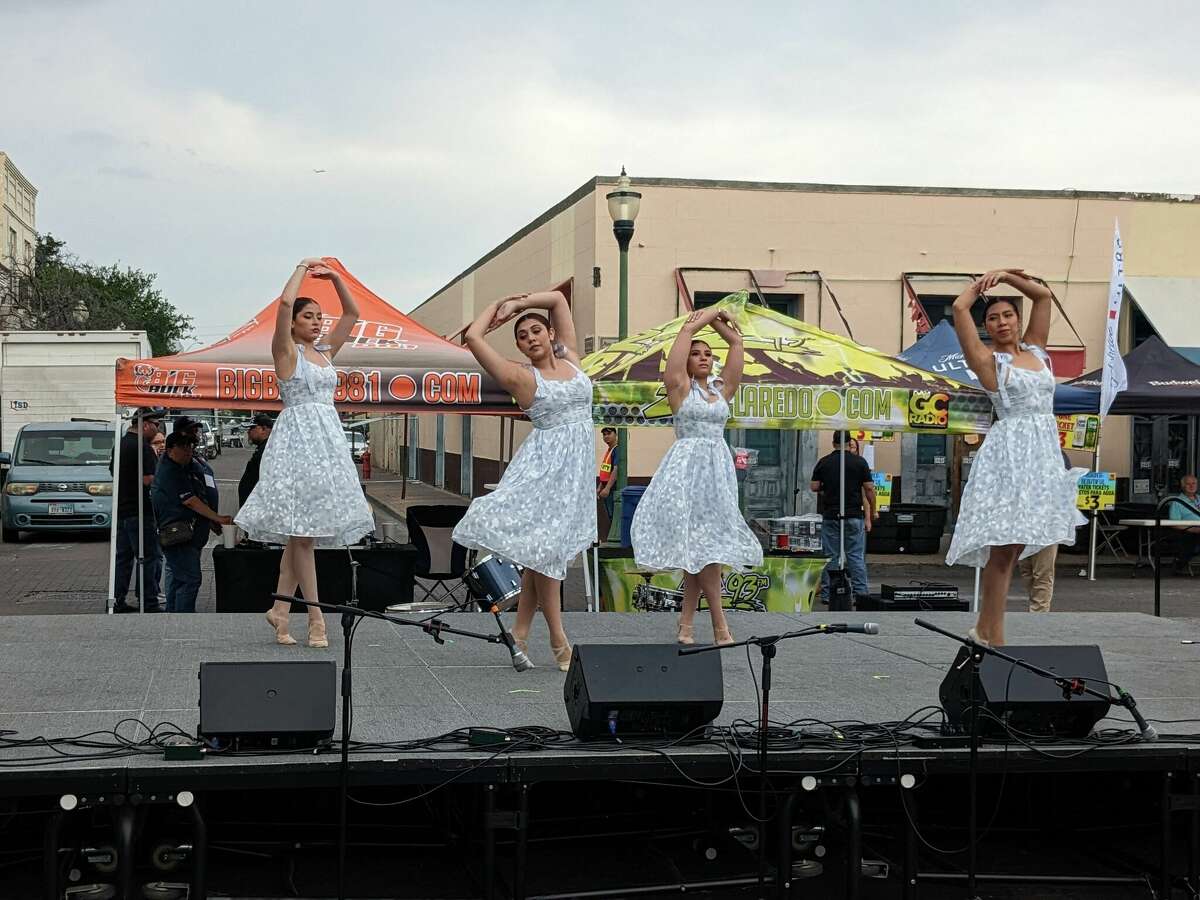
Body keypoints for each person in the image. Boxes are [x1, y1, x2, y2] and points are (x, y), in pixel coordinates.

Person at [452, 289, 594, 671]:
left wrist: (519, 304)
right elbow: (474, 338)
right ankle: (558, 638)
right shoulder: (520, 377)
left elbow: (559, 302)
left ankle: (519, 633)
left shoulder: (573, 360)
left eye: (536, 331)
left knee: (543, 555)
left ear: (550, 334)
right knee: (546, 556)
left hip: (575, 473)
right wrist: (494, 309)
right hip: (543, 471)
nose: (531, 338)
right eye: (522, 335)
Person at [236, 259, 375, 647]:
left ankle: (280, 612)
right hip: (297, 443)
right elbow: (283, 304)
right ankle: (316, 618)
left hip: (326, 443)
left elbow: (353, 313)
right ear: (295, 323)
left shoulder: (326, 352)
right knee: (304, 536)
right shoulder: (286, 352)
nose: (317, 322)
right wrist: (300, 268)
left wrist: (336, 278)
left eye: (319, 317)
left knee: (302, 537)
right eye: (309, 316)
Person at [946, 269, 1085, 646]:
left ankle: (986, 629)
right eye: (993, 318)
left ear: (1018, 321)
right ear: (986, 326)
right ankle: (992, 633)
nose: (1001, 322)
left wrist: (1007, 276)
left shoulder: (1038, 351)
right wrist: (981, 287)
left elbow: (1043, 297)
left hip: (1042, 453)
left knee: (1015, 546)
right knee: (1003, 546)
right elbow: (960, 307)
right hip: (1010, 452)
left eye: (1007, 315)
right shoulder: (988, 360)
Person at [630, 306, 762, 645]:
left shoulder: (720, 391)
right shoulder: (679, 388)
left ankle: (686, 624)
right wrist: (711, 312)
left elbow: (735, 346)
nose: (703, 358)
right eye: (696, 354)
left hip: (717, 469)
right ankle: (720, 625)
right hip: (687, 468)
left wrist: (724, 324)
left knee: (701, 549)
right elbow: (684, 335)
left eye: (707, 354)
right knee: (706, 548)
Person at [151, 433, 232, 612]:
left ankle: (174, 615)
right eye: (184, 448)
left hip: (186, 533)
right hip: (177, 534)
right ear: (171, 449)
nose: (188, 452)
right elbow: (190, 500)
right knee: (190, 579)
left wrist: (211, 520)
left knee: (181, 578)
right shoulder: (171, 471)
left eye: (190, 447)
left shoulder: (182, 467)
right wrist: (216, 517)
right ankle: (183, 618)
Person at [811, 431, 876, 604]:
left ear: (833, 443)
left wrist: (827, 487)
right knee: (855, 556)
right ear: (849, 443)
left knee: (830, 556)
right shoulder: (860, 462)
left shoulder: (824, 462)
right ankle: (861, 593)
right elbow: (869, 489)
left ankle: (828, 594)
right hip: (854, 515)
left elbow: (814, 486)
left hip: (831, 515)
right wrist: (873, 510)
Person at [111, 408, 165, 613]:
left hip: (122, 510)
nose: (158, 429)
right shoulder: (142, 447)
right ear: (145, 424)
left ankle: (117, 599)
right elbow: (148, 480)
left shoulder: (121, 444)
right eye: (156, 425)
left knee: (123, 558)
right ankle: (148, 601)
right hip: (140, 511)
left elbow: (112, 472)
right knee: (148, 557)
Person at [1018, 449, 1074, 612]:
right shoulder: (1023, 453)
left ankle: (1039, 612)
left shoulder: (1058, 455)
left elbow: (1065, 485)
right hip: (1024, 520)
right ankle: (1037, 606)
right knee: (1026, 569)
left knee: (1042, 571)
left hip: (1048, 521)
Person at [238, 413, 275, 506]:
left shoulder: (269, 450)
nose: (248, 432)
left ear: (263, 429)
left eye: (252, 428)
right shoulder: (264, 447)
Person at [1167, 473, 1200, 575]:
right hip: (1188, 532)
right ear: (1183, 486)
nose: (1191, 486)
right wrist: (1193, 529)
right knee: (1189, 539)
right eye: (1188, 484)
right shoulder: (1177, 502)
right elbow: (1174, 524)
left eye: (1194, 483)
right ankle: (1180, 564)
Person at [596, 426, 619, 531]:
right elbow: (605, 470)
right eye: (604, 434)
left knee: (614, 515)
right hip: (606, 487)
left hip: (612, 489)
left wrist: (607, 488)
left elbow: (616, 470)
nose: (606, 436)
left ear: (615, 434)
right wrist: (600, 486)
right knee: (610, 515)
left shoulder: (617, 450)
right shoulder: (609, 451)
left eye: (609, 433)